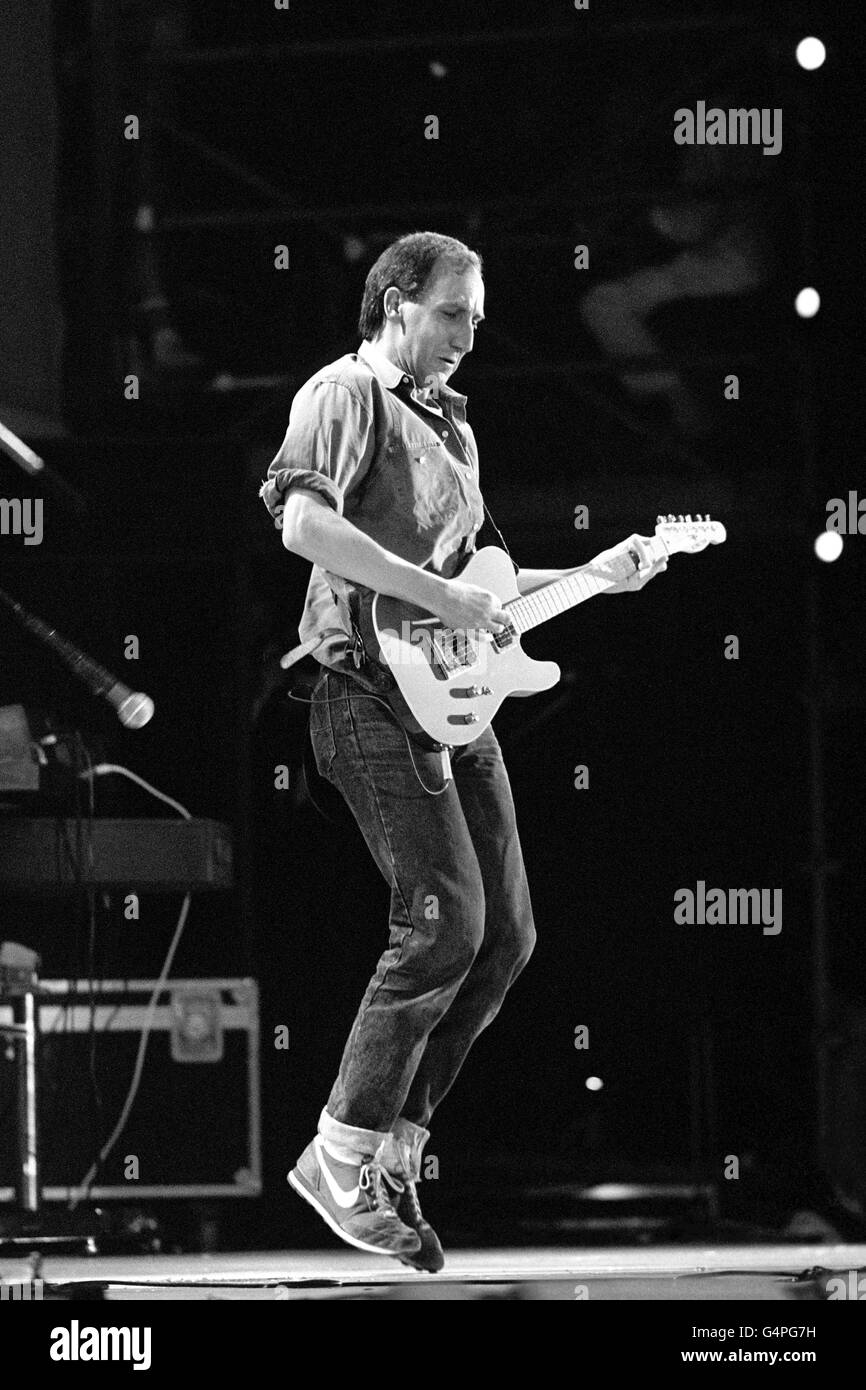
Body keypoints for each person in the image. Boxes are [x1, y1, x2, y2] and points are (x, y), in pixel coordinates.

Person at [258, 231, 666, 1271]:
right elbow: (304, 524)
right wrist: (439, 595)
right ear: (393, 303)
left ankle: (390, 1147)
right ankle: (338, 1151)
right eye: (450, 315)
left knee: (506, 936)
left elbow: (473, 583)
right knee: (440, 925)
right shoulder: (341, 393)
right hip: (359, 691)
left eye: (476, 322)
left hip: (447, 699)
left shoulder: (454, 430)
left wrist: (588, 571)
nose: (465, 338)